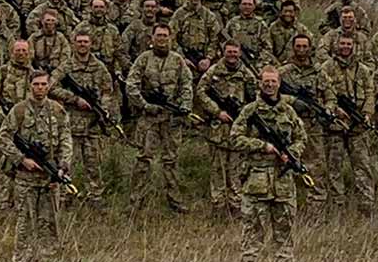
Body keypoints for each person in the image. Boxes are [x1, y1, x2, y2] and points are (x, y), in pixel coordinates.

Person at [229, 67, 304, 262]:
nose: (270, 85)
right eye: (266, 82)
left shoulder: (288, 111)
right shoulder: (250, 111)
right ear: (260, 84)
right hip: (256, 180)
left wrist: (291, 153)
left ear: (279, 83)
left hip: (282, 181)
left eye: (273, 81)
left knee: (284, 231)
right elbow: (234, 139)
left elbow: (301, 138)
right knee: (252, 232)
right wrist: (262, 146)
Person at [0, 72, 73, 262]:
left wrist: (64, 164)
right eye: (36, 84)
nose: (40, 88)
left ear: (48, 87)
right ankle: (22, 260)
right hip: (26, 177)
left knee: (49, 220)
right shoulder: (19, 110)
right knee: (25, 220)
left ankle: (49, 258)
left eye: (43, 84)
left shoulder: (57, 110)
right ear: (30, 86)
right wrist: (22, 159)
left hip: (50, 177)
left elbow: (66, 139)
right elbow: (4, 137)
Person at [125, 23, 194, 214]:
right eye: (158, 36)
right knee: (143, 160)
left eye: (165, 36)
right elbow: (131, 85)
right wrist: (145, 105)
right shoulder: (143, 59)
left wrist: (184, 106)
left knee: (171, 161)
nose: (162, 39)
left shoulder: (178, 61)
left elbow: (187, 85)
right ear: (152, 38)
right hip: (149, 120)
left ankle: (175, 201)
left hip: (171, 120)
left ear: (170, 38)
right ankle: (135, 203)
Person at [52, 30, 120, 206]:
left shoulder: (99, 67)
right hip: (71, 123)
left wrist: (102, 108)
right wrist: (74, 99)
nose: (82, 45)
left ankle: (95, 196)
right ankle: (66, 196)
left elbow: (107, 90)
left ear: (91, 44)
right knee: (67, 162)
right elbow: (51, 87)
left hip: (92, 125)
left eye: (85, 42)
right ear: (74, 43)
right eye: (79, 42)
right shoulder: (66, 66)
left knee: (93, 163)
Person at [319, 34, 378, 219]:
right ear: (336, 45)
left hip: (358, 128)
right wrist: (334, 110)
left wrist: (367, 114)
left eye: (348, 43)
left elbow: (370, 93)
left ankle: (367, 211)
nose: (345, 46)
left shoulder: (362, 70)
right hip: (335, 128)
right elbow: (320, 95)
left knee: (363, 169)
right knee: (334, 170)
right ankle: (337, 211)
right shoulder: (326, 68)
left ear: (354, 46)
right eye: (342, 43)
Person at [197, 42, 258, 217]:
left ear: (239, 53)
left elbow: (254, 99)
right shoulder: (214, 71)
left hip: (237, 130)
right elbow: (200, 92)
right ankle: (218, 207)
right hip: (218, 130)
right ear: (223, 52)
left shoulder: (246, 74)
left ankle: (236, 206)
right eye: (229, 51)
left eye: (235, 52)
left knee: (236, 171)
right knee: (217, 170)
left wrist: (244, 115)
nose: (232, 55)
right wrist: (217, 112)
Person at [274, 33, 333, 209]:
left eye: (304, 46)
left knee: (317, 168)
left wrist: (328, 108)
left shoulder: (318, 71)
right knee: (286, 164)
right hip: (289, 127)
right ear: (293, 48)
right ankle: (286, 206)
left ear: (310, 48)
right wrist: (293, 101)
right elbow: (269, 95)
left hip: (313, 126)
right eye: (298, 46)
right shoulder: (283, 72)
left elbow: (330, 94)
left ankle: (316, 210)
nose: (301, 50)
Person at [0, 40, 37, 218]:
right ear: (11, 52)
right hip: (6, 129)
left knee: (26, 167)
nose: (21, 53)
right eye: (18, 50)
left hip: (28, 130)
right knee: (4, 166)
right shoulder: (2, 72)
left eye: (24, 50)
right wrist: (2, 117)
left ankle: (22, 207)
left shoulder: (34, 76)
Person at [168, 0, 223, 75]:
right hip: (184, 57)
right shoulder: (179, 14)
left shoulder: (208, 15)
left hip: (204, 58)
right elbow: (171, 36)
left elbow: (215, 38)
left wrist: (208, 59)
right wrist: (182, 58)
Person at [227, 0, 272, 68]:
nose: (247, 7)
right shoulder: (232, 23)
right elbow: (224, 44)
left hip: (255, 63)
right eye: (244, 4)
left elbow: (267, 48)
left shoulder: (260, 24)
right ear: (240, 5)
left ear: (254, 6)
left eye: (249, 4)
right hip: (234, 62)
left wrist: (261, 64)